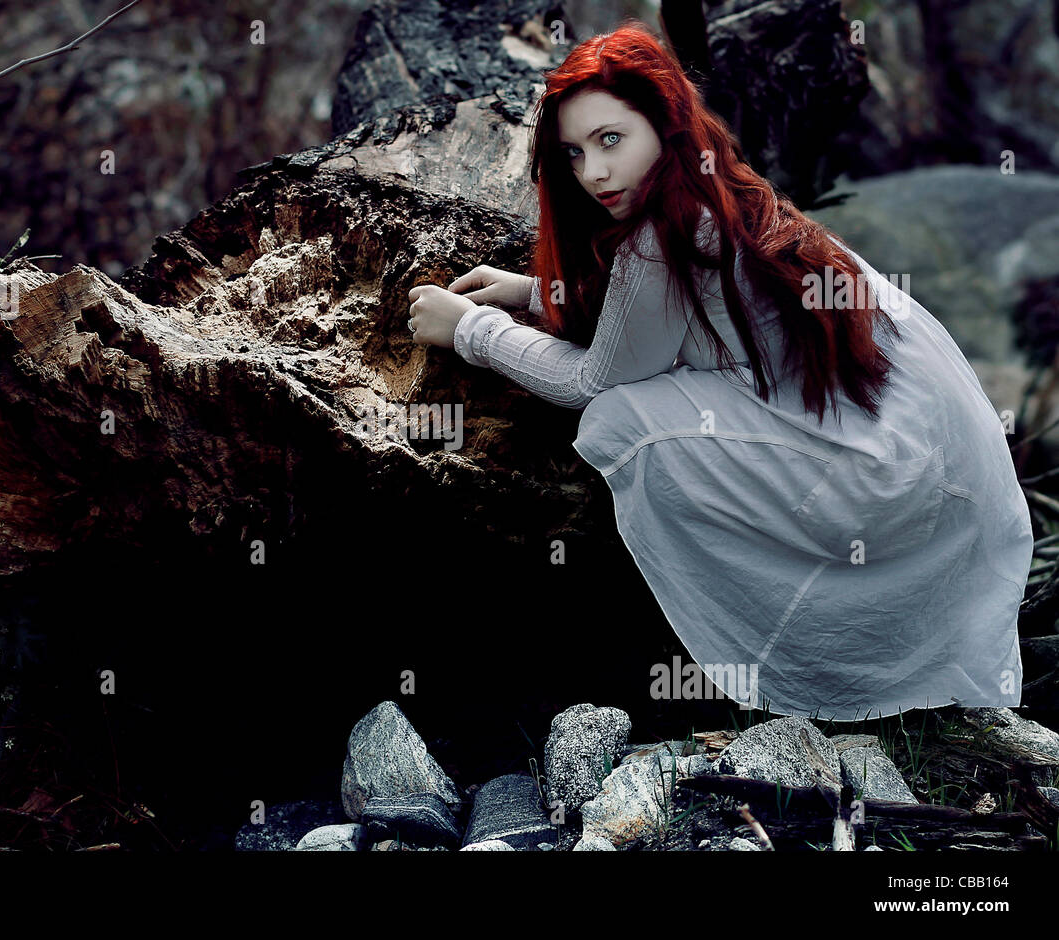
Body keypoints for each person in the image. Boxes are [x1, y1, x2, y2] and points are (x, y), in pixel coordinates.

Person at [403, 21, 1032, 722]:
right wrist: (536, 294)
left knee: (623, 419)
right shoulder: (715, 190)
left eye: (612, 139)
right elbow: (663, 323)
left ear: (665, 126)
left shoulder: (668, 232)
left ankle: (787, 669)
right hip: (920, 432)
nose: (594, 173)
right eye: (575, 153)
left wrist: (474, 331)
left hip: (883, 466)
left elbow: (592, 380)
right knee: (653, 396)